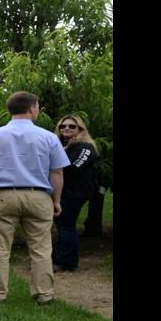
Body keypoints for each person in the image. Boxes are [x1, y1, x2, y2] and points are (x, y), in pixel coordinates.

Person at [0, 91, 67, 305]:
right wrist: (56, 200)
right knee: (41, 248)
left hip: (2, 195)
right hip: (38, 195)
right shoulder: (48, 137)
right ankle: (44, 294)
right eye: (37, 107)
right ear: (31, 108)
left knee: (0, 248)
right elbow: (57, 172)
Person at [53, 113, 99, 272]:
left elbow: (71, 168)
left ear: (81, 129)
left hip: (75, 193)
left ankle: (67, 262)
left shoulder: (85, 147)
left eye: (72, 126)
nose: (66, 128)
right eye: (63, 126)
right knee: (61, 225)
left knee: (66, 225)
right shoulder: (60, 145)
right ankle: (59, 257)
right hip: (62, 192)